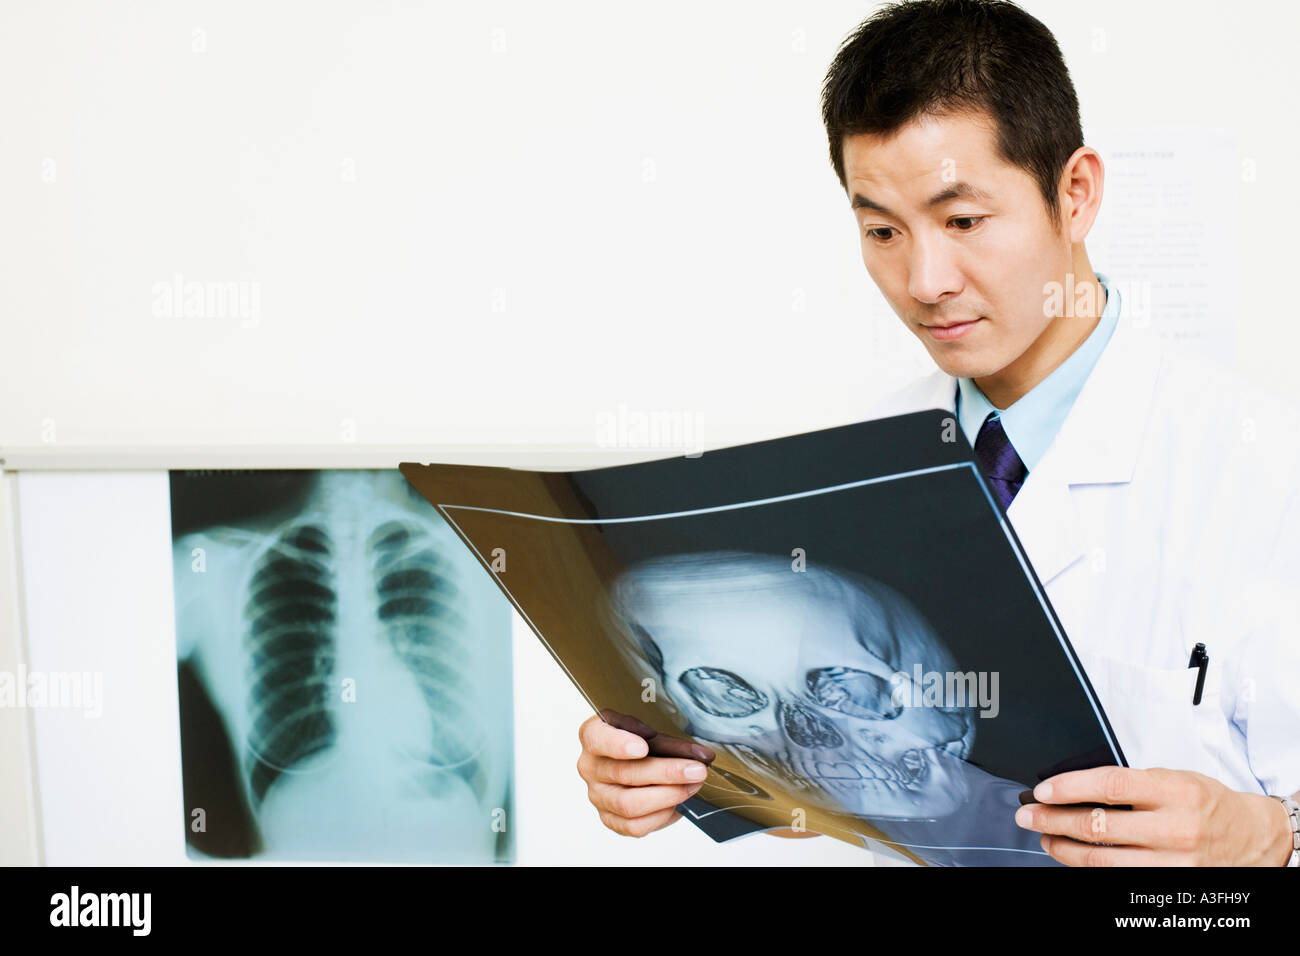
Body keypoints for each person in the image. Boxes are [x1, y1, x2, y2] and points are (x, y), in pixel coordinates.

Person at [575, 0, 1300, 866]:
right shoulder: (858, 457)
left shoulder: (1261, 463)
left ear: (1075, 194)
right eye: (881, 230)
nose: (923, 281)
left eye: (962, 222)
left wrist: (1268, 836)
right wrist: (651, 768)